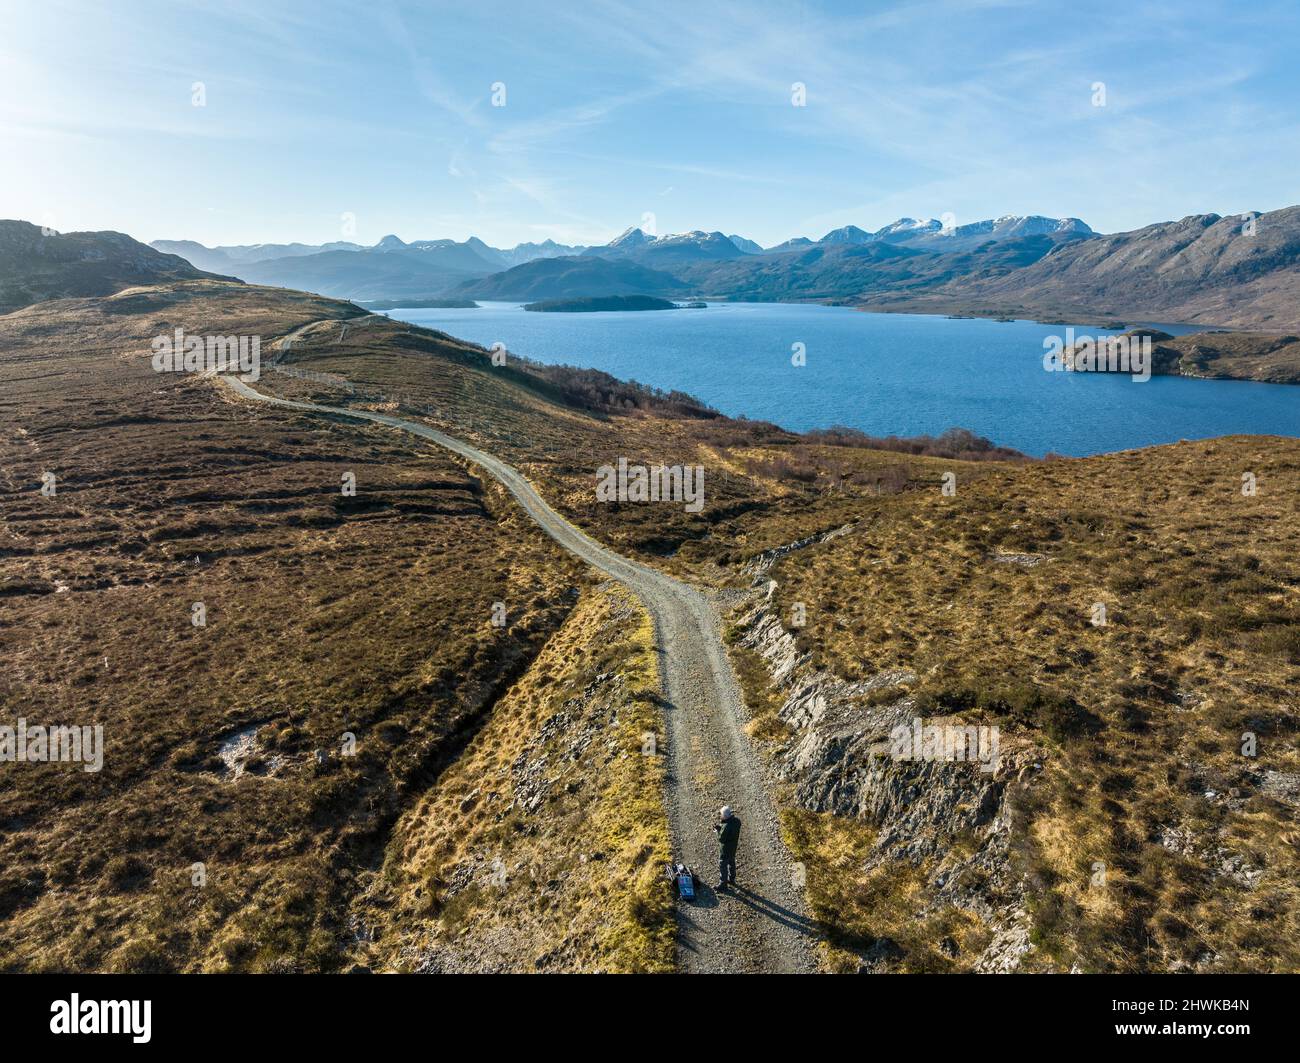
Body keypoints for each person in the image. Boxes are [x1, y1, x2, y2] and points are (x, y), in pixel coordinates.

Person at [714, 805, 741, 891]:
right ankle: (732, 879)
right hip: (733, 848)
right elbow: (729, 830)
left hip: (725, 850)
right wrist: (722, 826)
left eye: (721, 815)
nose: (720, 816)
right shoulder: (737, 821)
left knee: (723, 866)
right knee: (731, 863)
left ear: (725, 816)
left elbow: (721, 839)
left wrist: (718, 831)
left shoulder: (726, 826)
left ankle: (723, 884)